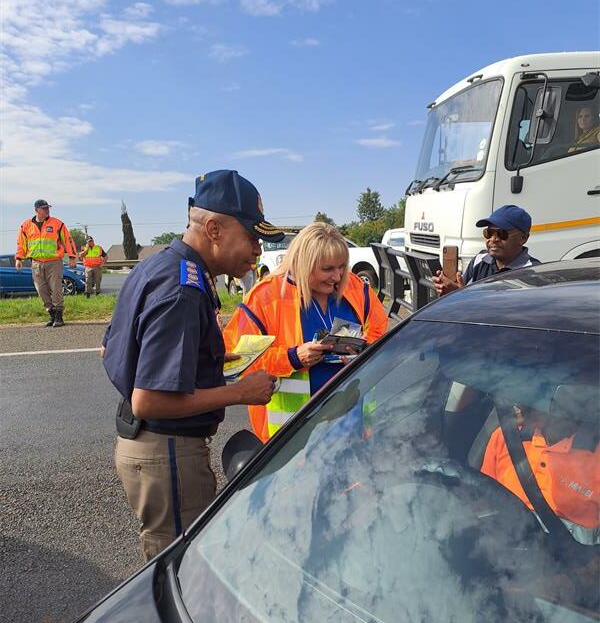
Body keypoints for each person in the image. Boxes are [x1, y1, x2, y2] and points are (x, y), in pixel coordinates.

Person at [102, 169, 282, 560]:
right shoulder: (184, 288)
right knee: (178, 570)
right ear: (214, 229)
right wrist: (241, 392)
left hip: (149, 445)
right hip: (166, 447)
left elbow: (112, 349)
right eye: (252, 237)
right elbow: (148, 401)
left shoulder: (160, 265)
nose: (257, 250)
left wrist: (203, 360)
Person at [223, 222, 388, 442]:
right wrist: (293, 357)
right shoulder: (265, 298)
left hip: (351, 424)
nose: (337, 276)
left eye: (341, 266)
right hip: (292, 436)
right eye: (327, 269)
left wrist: (363, 352)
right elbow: (237, 359)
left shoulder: (356, 288)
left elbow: (381, 334)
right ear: (303, 264)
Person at [481, 404, 599, 534]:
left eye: (531, 395)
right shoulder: (505, 436)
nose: (515, 404)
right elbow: (482, 502)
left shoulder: (595, 458)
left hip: (568, 553)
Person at [433, 205, 541, 297]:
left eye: (501, 233)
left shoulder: (534, 273)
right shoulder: (480, 260)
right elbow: (460, 290)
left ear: (523, 238)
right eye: (488, 233)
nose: (493, 239)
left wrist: (463, 297)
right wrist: (450, 293)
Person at [15, 199, 78, 327]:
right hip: (36, 263)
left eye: (48, 208)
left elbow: (68, 240)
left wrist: (72, 257)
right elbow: (21, 244)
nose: (47, 210)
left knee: (56, 289)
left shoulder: (57, 224)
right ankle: (51, 314)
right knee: (41, 290)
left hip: (54, 262)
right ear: (36, 210)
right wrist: (18, 259)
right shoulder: (25, 226)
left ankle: (59, 316)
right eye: (44, 208)